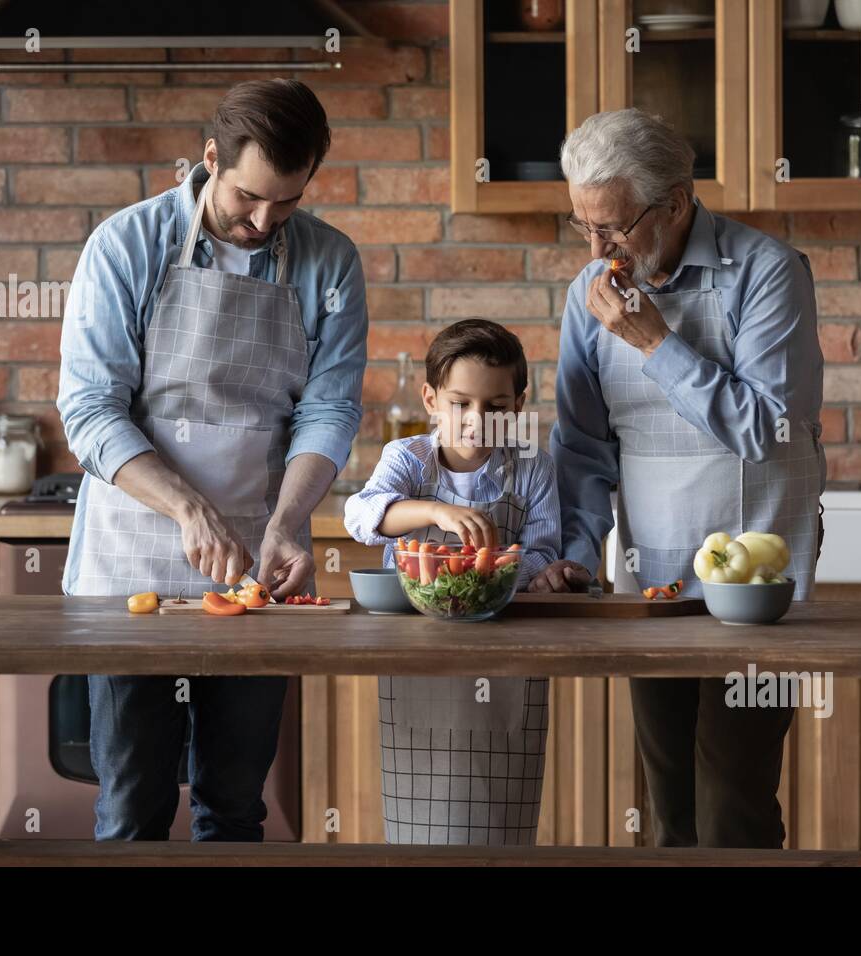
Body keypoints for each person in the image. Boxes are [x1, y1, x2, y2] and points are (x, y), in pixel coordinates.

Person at [57, 80, 367, 841]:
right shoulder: (126, 245)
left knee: (234, 807)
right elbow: (91, 409)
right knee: (132, 809)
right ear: (208, 161)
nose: (264, 222)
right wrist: (190, 508)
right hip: (132, 563)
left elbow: (327, 409)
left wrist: (292, 522)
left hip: (262, 564)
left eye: (287, 204)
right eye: (248, 199)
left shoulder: (331, 262)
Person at [540, 108, 827, 848]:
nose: (601, 249)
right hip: (652, 584)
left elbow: (767, 428)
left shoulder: (767, 272)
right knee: (670, 811)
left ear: (675, 203)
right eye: (584, 228)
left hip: (755, 588)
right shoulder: (587, 294)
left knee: (736, 803)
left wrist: (654, 340)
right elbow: (582, 445)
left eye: (614, 228)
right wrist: (575, 550)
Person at [344, 319, 561, 844]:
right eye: (461, 403)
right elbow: (360, 514)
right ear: (431, 400)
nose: (477, 420)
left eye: (496, 407)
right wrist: (434, 511)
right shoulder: (408, 460)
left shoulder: (531, 466)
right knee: (419, 814)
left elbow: (542, 550)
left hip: (506, 654)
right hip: (417, 654)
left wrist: (535, 574)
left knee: (503, 817)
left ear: (518, 406)